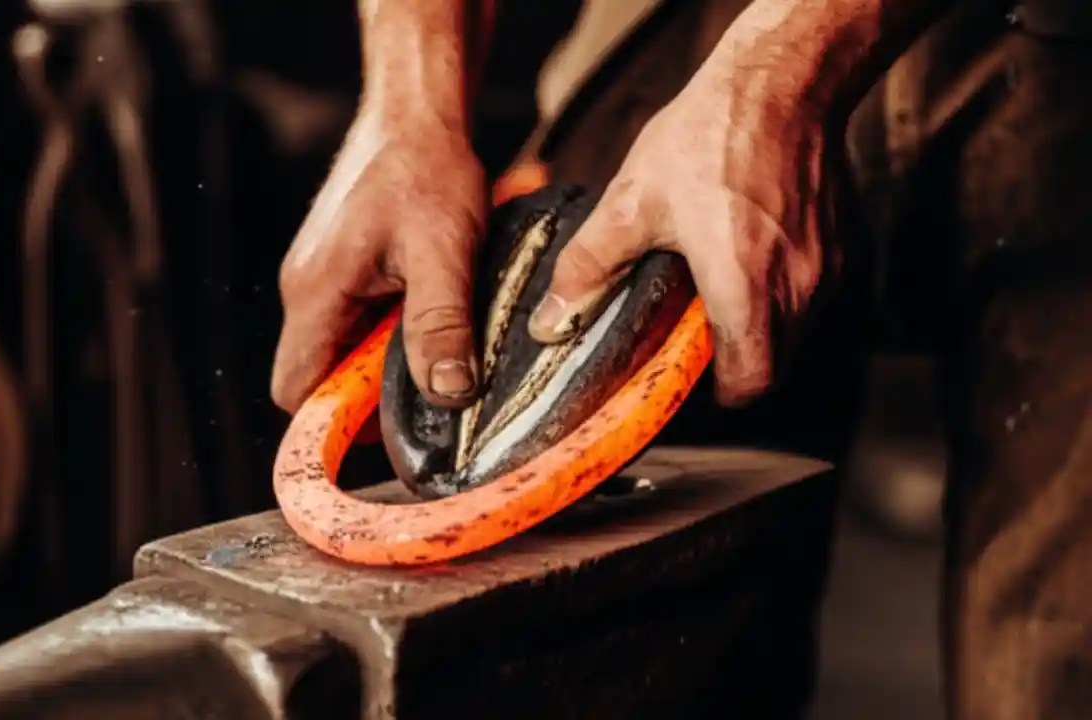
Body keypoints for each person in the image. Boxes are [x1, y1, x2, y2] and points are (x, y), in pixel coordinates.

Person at [273, 1, 1092, 717]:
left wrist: (782, 67)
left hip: (1056, 47)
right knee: (599, 638)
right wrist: (408, 106)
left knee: (1057, 658)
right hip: (666, 32)